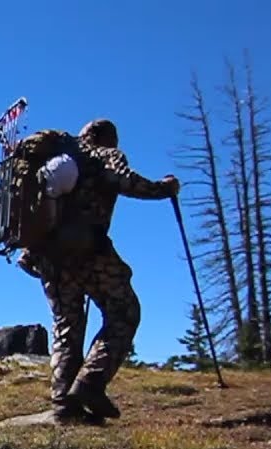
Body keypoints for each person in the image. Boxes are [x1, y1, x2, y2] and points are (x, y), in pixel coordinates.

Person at [22, 118, 180, 423]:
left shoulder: (58, 161)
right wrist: (164, 188)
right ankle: (90, 382)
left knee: (67, 327)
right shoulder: (103, 154)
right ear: (107, 138)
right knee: (124, 311)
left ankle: (64, 405)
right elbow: (127, 181)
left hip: (49, 258)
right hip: (88, 251)